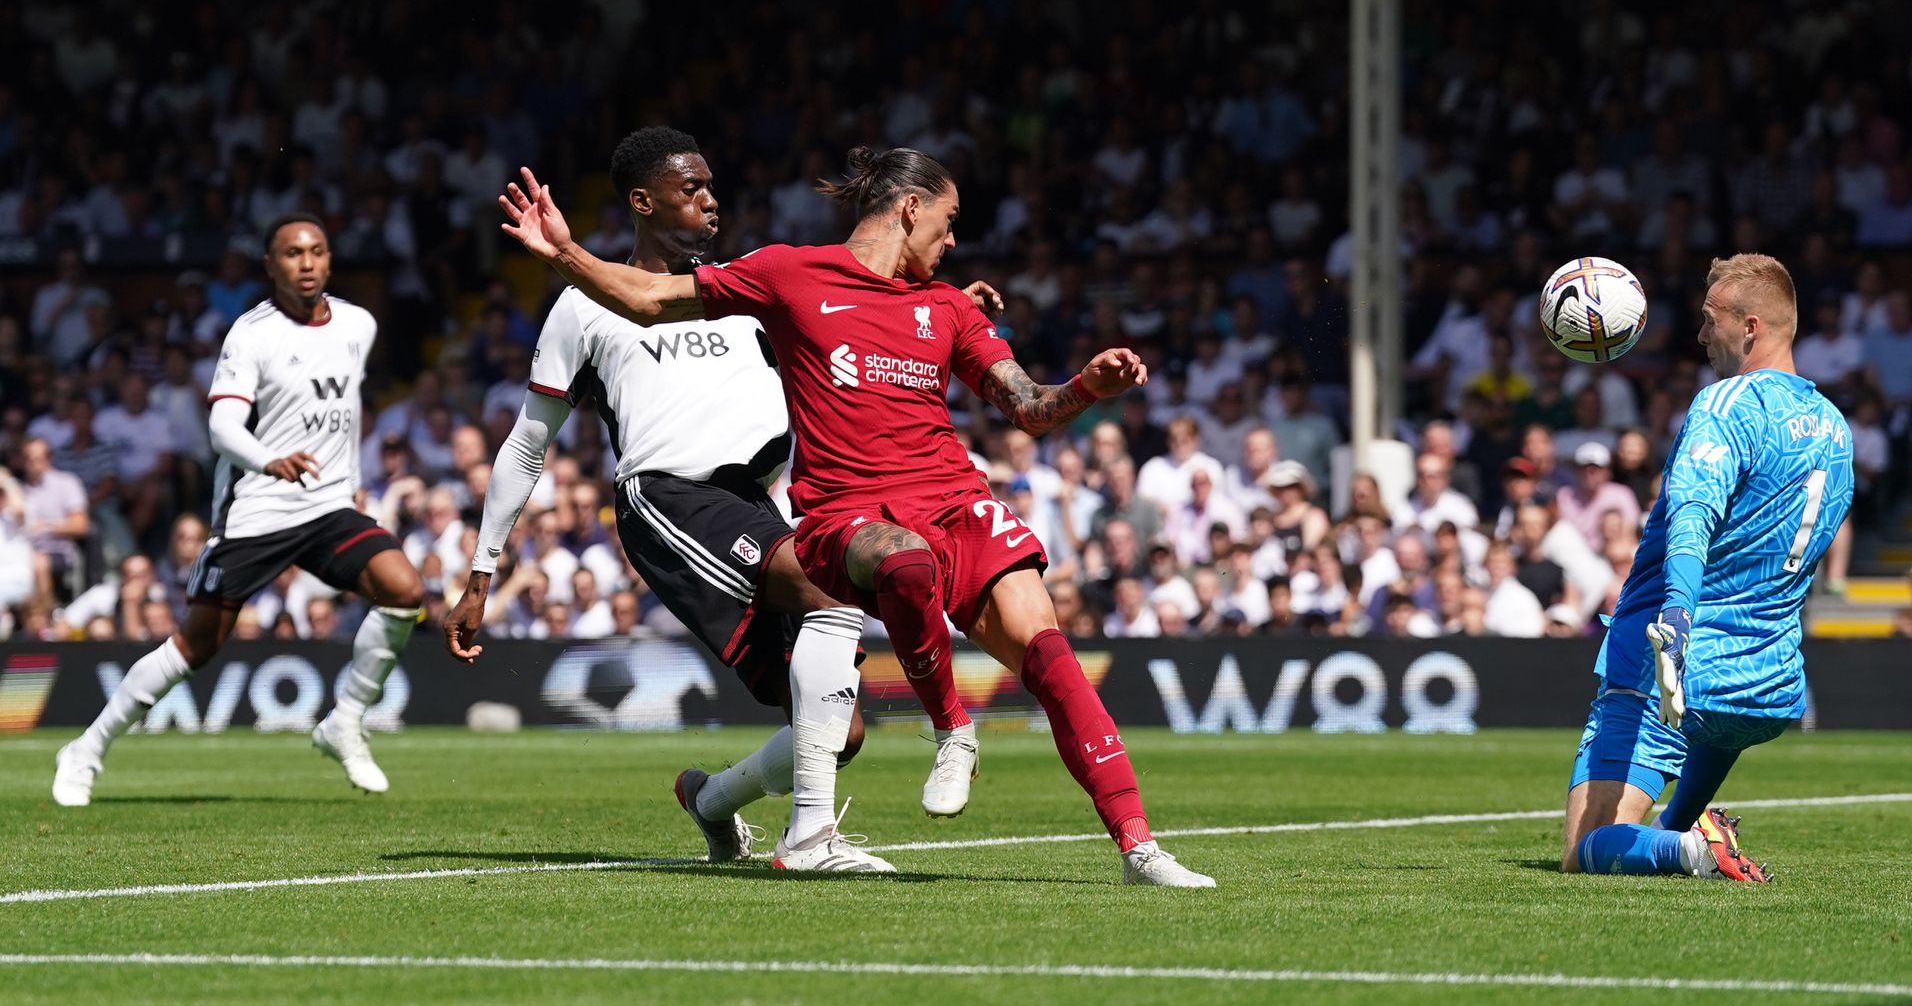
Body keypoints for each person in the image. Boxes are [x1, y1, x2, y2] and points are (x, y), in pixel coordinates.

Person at [501, 148, 1211, 887]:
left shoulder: (949, 306)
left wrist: (1087, 386)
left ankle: (1139, 849)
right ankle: (951, 731)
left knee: (1055, 661)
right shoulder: (789, 274)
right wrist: (564, 252)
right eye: (949, 219)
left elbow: (1029, 406)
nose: (954, 238)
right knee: (900, 562)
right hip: (850, 512)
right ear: (910, 208)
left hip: (957, 501)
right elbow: (647, 299)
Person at [449, 128, 892, 873]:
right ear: (642, 201)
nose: (711, 200)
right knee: (832, 592)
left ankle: (711, 801)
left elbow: (844, 328)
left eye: (711, 187)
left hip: (755, 509)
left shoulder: (742, 295)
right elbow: (528, 442)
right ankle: (810, 839)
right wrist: (482, 569)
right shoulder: (584, 307)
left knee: (838, 731)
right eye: (692, 190)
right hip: (669, 503)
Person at [54, 215, 426, 806]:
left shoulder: (360, 324)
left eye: (317, 252)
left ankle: (345, 721)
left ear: (330, 261)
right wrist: (268, 459)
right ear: (270, 267)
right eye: (292, 254)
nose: (306, 263)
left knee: (404, 590)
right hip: (255, 510)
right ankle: (86, 749)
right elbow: (223, 426)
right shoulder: (251, 335)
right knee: (195, 647)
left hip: (328, 505)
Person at [1562, 254, 1854, 882]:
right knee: (1659, 827)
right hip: (1770, 685)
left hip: (1679, 665)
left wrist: (1677, 615)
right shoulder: (1834, 426)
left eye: (1708, 320)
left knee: (1587, 847)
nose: (1699, 335)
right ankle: (1689, 833)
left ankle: (1695, 850)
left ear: (1750, 327)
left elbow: (1693, 514)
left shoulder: (1724, 404)